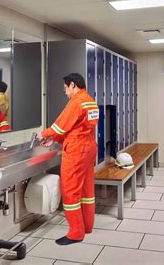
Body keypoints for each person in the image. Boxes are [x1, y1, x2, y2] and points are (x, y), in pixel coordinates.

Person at [38, 73, 99, 245]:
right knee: (86, 189)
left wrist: (43, 134)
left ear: (72, 85)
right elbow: (77, 127)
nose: (65, 92)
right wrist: (56, 139)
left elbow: (61, 124)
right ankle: (87, 226)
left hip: (76, 150)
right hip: (89, 147)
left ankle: (75, 233)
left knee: (70, 190)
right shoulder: (90, 100)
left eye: (65, 88)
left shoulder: (77, 101)